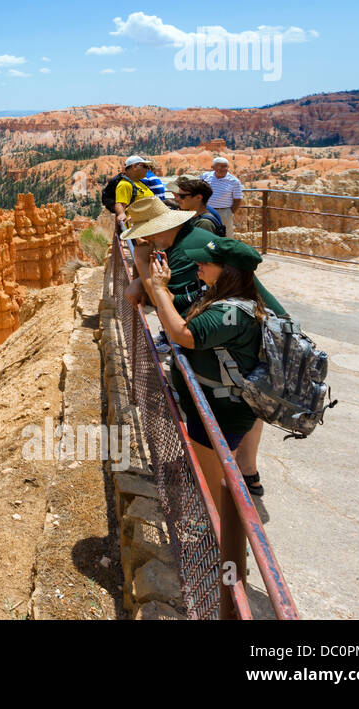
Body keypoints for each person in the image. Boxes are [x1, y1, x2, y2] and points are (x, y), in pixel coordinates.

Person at [140, 237, 281, 498]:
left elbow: (183, 334)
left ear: (228, 270)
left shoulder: (231, 311)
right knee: (209, 474)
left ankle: (218, 534)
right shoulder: (212, 293)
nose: (198, 263)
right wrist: (160, 283)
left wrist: (158, 290)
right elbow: (175, 302)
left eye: (206, 261)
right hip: (209, 405)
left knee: (215, 484)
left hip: (222, 412)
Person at [201, 156, 243, 233]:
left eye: (224, 166)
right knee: (206, 233)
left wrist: (230, 213)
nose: (221, 169)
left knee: (225, 235)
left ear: (228, 167)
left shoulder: (234, 181)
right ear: (213, 167)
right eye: (219, 166)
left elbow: (238, 199)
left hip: (224, 212)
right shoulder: (205, 177)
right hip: (206, 211)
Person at [110, 155, 155, 224]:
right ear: (134, 167)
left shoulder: (139, 183)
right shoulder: (125, 185)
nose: (147, 169)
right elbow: (120, 204)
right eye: (145, 166)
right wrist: (121, 214)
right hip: (138, 228)